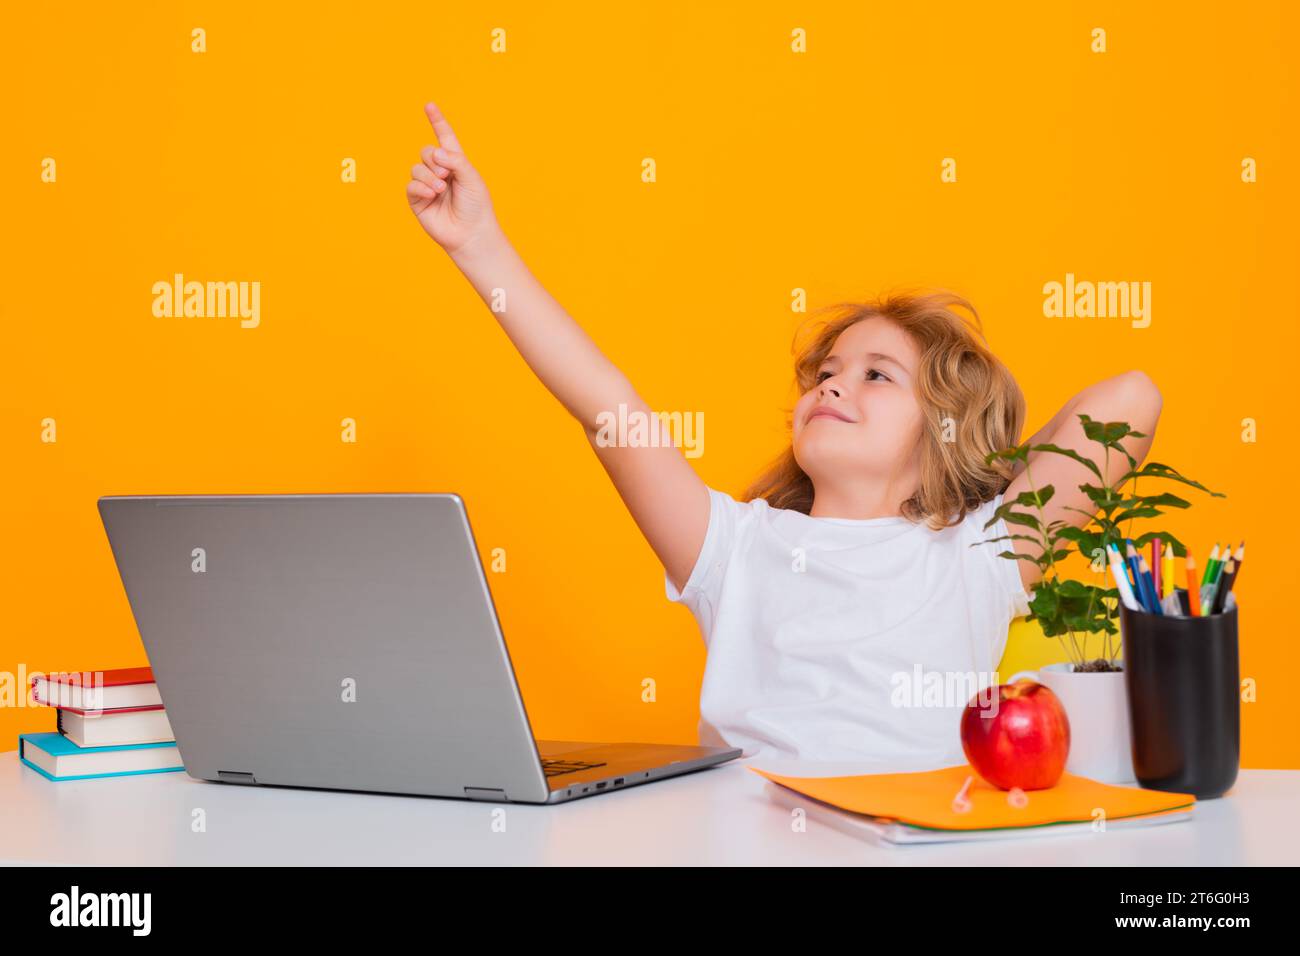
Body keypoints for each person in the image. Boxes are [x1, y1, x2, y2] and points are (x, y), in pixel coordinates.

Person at [406, 102, 1163, 765]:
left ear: (941, 431)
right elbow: (607, 405)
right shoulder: (733, 546)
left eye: (877, 375)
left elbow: (1132, 400)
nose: (832, 383)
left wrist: (977, 474)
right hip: (743, 836)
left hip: (911, 840)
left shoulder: (981, 553)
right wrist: (480, 246)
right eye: (827, 372)